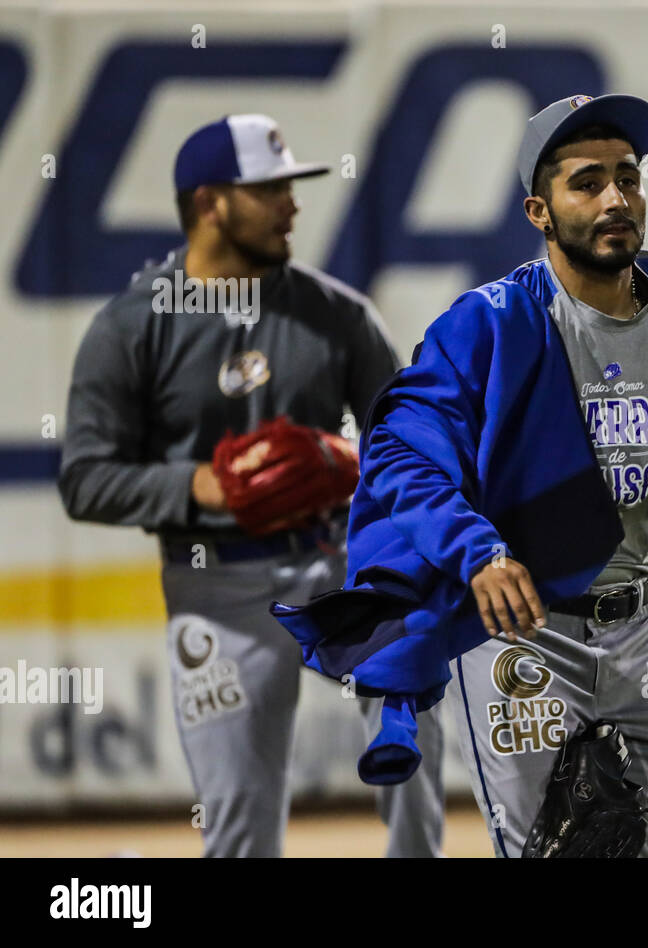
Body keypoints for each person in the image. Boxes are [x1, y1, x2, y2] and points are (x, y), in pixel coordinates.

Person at [283, 93, 648, 858]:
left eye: (628, 178)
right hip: (520, 632)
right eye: (587, 182)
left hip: (634, 628)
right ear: (539, 209)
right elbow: (401, 451)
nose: (615, 199)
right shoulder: (489, 323)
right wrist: (479, 553)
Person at [58, 114, 445, 857]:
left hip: (339, 568)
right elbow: (84, 477)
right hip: (218, 590)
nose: (292, 204)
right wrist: (200, 486)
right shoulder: (134, 326)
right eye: (269, 189)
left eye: (289, 188)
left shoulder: (337, 316)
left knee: (411, 706)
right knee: (239, 821)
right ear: (210, 203)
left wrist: (347, 458)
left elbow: (414, 444)